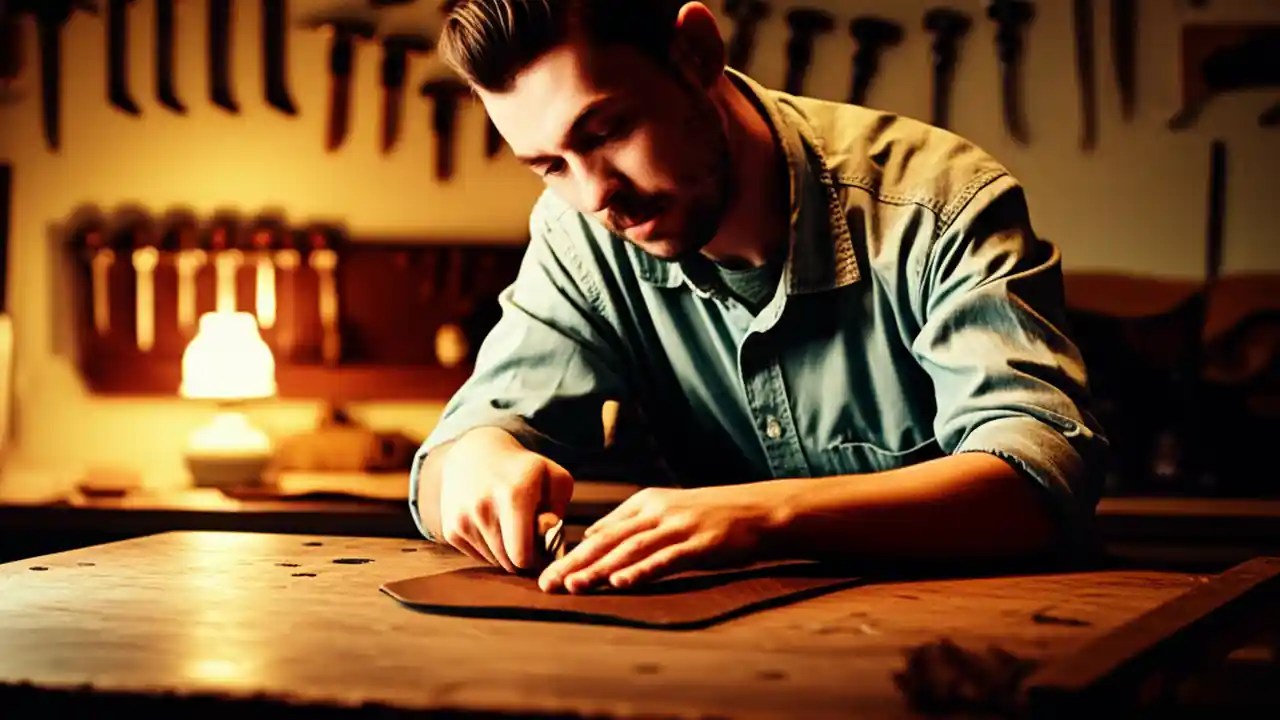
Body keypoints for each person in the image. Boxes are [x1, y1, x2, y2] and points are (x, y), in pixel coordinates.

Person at [409, 0, 1107, 594]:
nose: (595, 195)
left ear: (696, 51)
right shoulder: (580, 236)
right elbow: (450, 461)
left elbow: (1039, 482)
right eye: (549, 166)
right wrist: (475, 460)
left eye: (607, 132)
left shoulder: (938, 204)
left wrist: (761, 517)